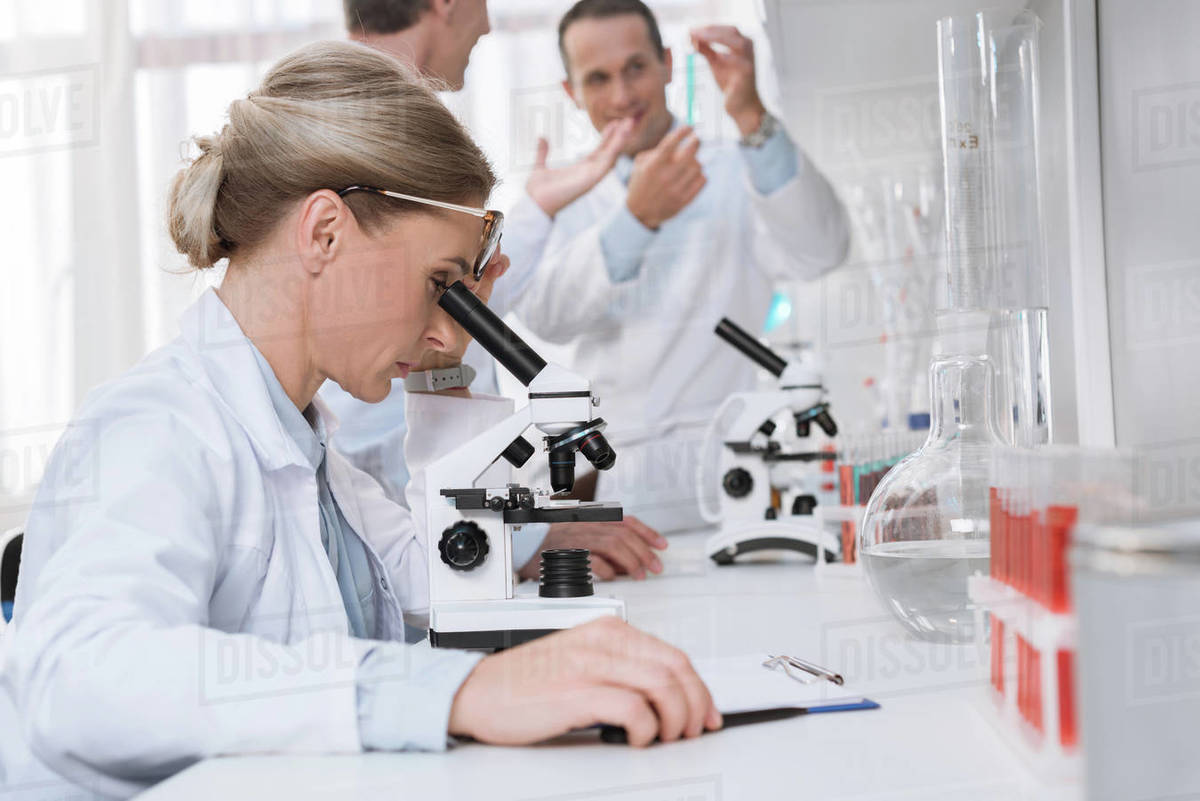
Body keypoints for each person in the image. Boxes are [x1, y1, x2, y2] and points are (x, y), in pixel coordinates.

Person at [0, 42, 719, 799]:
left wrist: (451, 348)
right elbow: (80, 678)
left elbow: (440, 571)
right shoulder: (153, 428)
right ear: (324, 233)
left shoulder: (310, 453)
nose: (447, 325)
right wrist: (456, 693)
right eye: (439, 284)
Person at [324, 0, 666, 582]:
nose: (488, 22)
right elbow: (379, 405)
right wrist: (523, 536)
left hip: (429, 532)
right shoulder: (366, 133)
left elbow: (459, 300)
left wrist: (537, 208)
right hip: (404, 551)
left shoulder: (388, 121)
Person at [513, 0, 850, 532]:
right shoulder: (568, 193)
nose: (622, 96)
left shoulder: (739, 165)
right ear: (570, 93)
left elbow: (822, 249)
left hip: (727, 470)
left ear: (668, 64)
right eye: (598, 79)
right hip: (617, 480)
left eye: (636, 68)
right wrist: (636, 220)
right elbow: (546, 317)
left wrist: (752, 118)